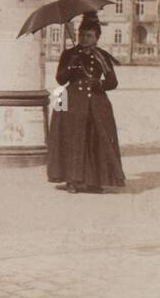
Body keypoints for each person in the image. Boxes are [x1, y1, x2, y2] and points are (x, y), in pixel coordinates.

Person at [47, 12, 124, 194]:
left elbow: (113, 82)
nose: (84, 38)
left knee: (95, 139)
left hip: (96, 102)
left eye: (89, 35)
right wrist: (71, 64)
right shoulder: (69, 54)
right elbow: (60, 79)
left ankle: (94, 181)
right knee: (72, 140)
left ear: (97, 38)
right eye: (81, 35)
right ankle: (71, 180)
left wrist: (99, 83)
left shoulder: (103, 57)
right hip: (71, 101)